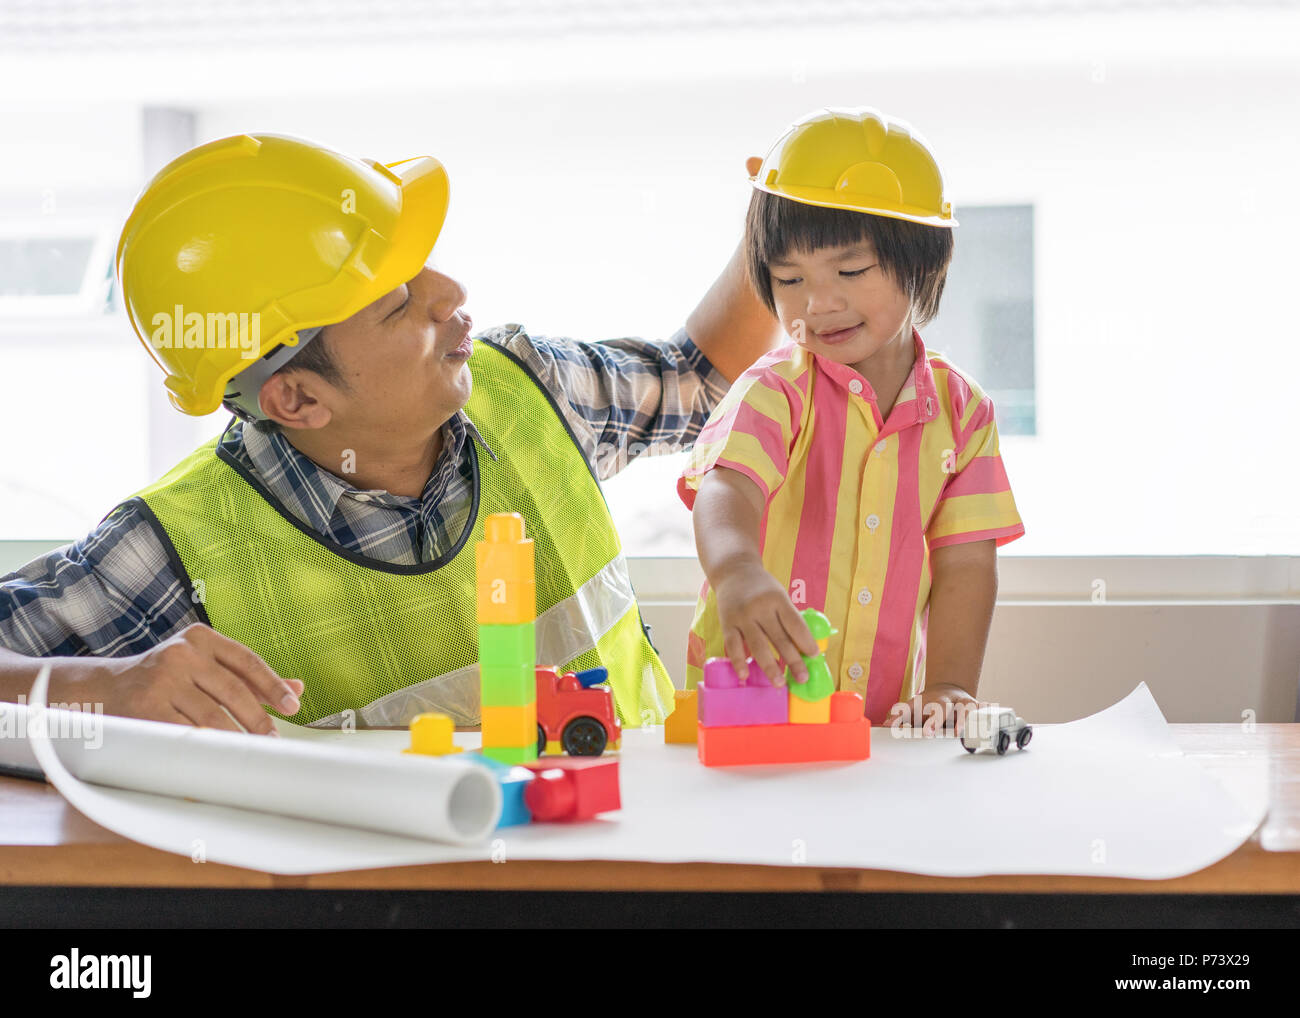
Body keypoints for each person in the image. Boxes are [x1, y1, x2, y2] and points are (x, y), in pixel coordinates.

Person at [0, 132, 783, 733]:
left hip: (635, 862)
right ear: (298, 399)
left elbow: (698, 379)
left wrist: (785, 218)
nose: (451, 294)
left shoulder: (529, 388)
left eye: (423, 266)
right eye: (398, 303)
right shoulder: (173, 548)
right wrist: (100, 686)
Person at [678, 107, 1025, 733]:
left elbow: (967, 565)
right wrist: (737, 571)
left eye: (851, 270)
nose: (819, 303)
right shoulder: (775, 390)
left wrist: (948, 685)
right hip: (751, 709)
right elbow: (725, 489)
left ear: (920, 259)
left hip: (877, 726)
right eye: (789, 279)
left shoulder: (963, 412)